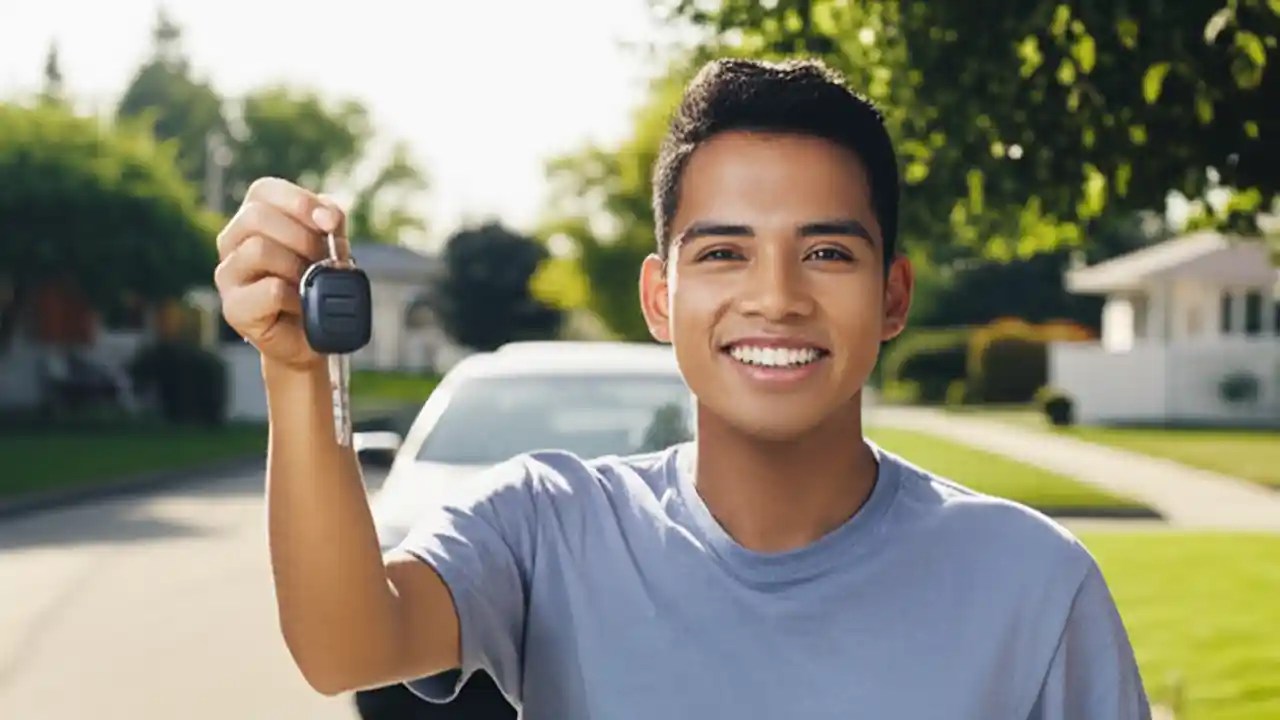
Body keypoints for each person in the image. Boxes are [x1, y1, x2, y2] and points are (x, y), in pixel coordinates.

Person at [214, 56, 1151, 719]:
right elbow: (344, 647)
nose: (776, 298)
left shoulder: (1035, 582)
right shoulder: (545, 529)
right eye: (723, 253)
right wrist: (297, 372)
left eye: (827, 252)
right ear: (660, 298)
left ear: (893, 295)